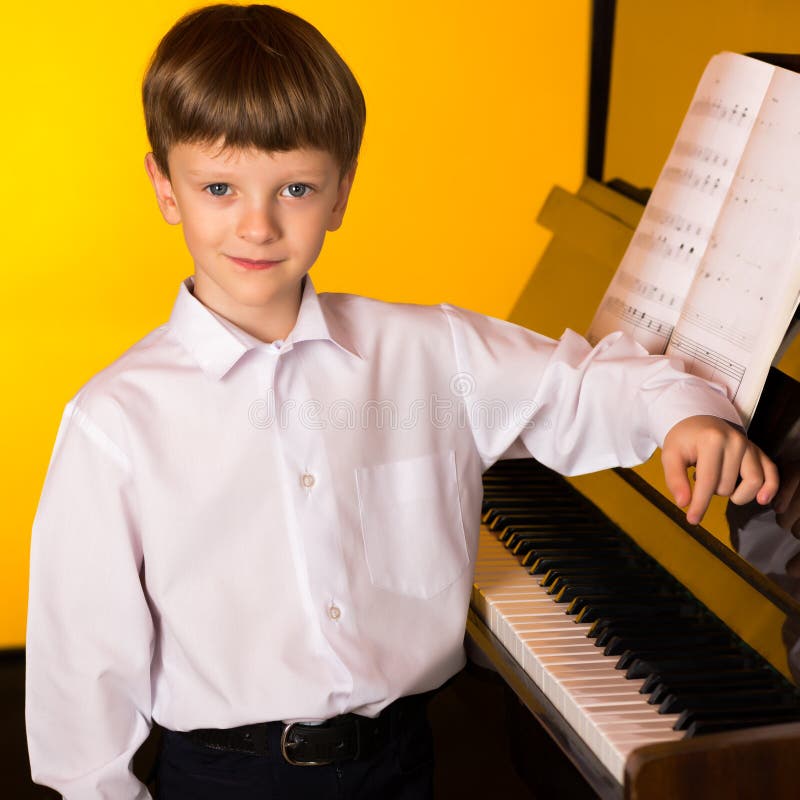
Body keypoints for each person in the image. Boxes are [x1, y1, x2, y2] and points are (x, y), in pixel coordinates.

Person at [25, 4, 779, 799]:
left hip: (401, 763)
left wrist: (683, 412)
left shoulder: (430, 352)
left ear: (341, 193)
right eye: (219, 187)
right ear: (164, 187)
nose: (257, 225)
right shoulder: (115, 421)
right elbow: (83, 675)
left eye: (295, 188)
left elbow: (583, 384)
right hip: (226, 779)